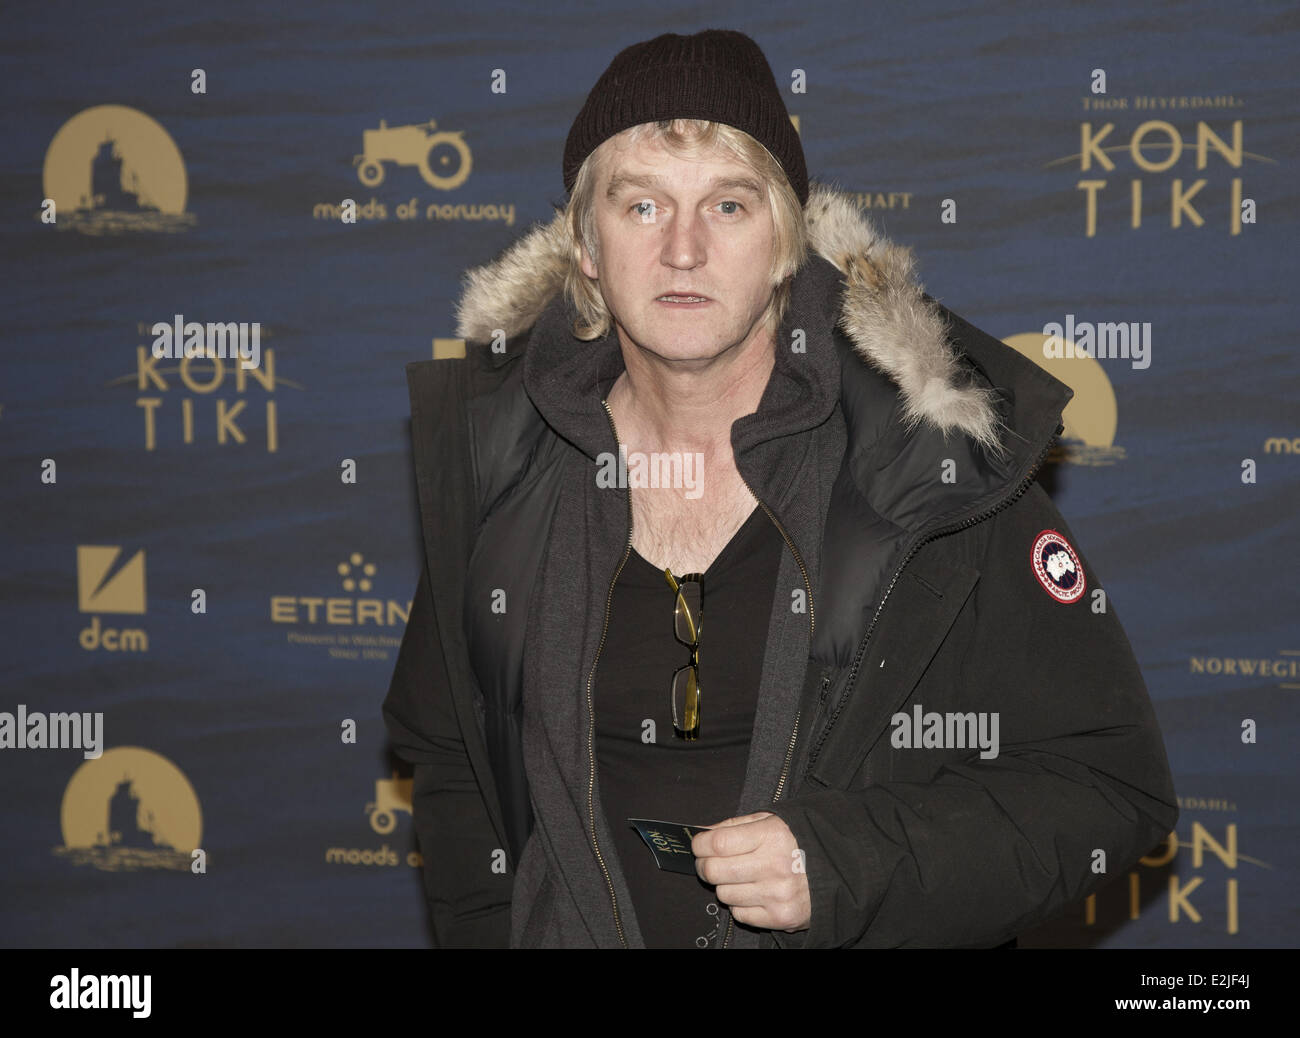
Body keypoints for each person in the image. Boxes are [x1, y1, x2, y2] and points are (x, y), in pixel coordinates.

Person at [382, 28, 1179, 948]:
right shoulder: (498, 462)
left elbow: (1108, 786)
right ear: (585, 248)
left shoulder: (930, 470)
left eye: (728, 206)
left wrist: (846, 865)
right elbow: (449, 757)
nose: (683, 249)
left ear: (786, 244)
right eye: (641, 206)